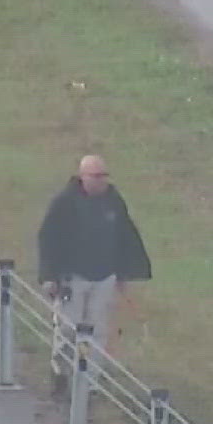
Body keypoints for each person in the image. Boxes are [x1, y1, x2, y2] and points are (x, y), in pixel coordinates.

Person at [36, 154, 152, 381]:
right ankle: (61, 374)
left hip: (104, 277)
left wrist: (124, 272)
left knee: (97, 330)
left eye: (104, 176)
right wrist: (49, 276)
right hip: (72, 278)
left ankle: (90, 381)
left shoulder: (113, 201)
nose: (101, 181)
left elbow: (125, 235)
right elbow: (48, 238)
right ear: (83, 177)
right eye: (96, 176)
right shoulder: (65, 202)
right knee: (68, 329)